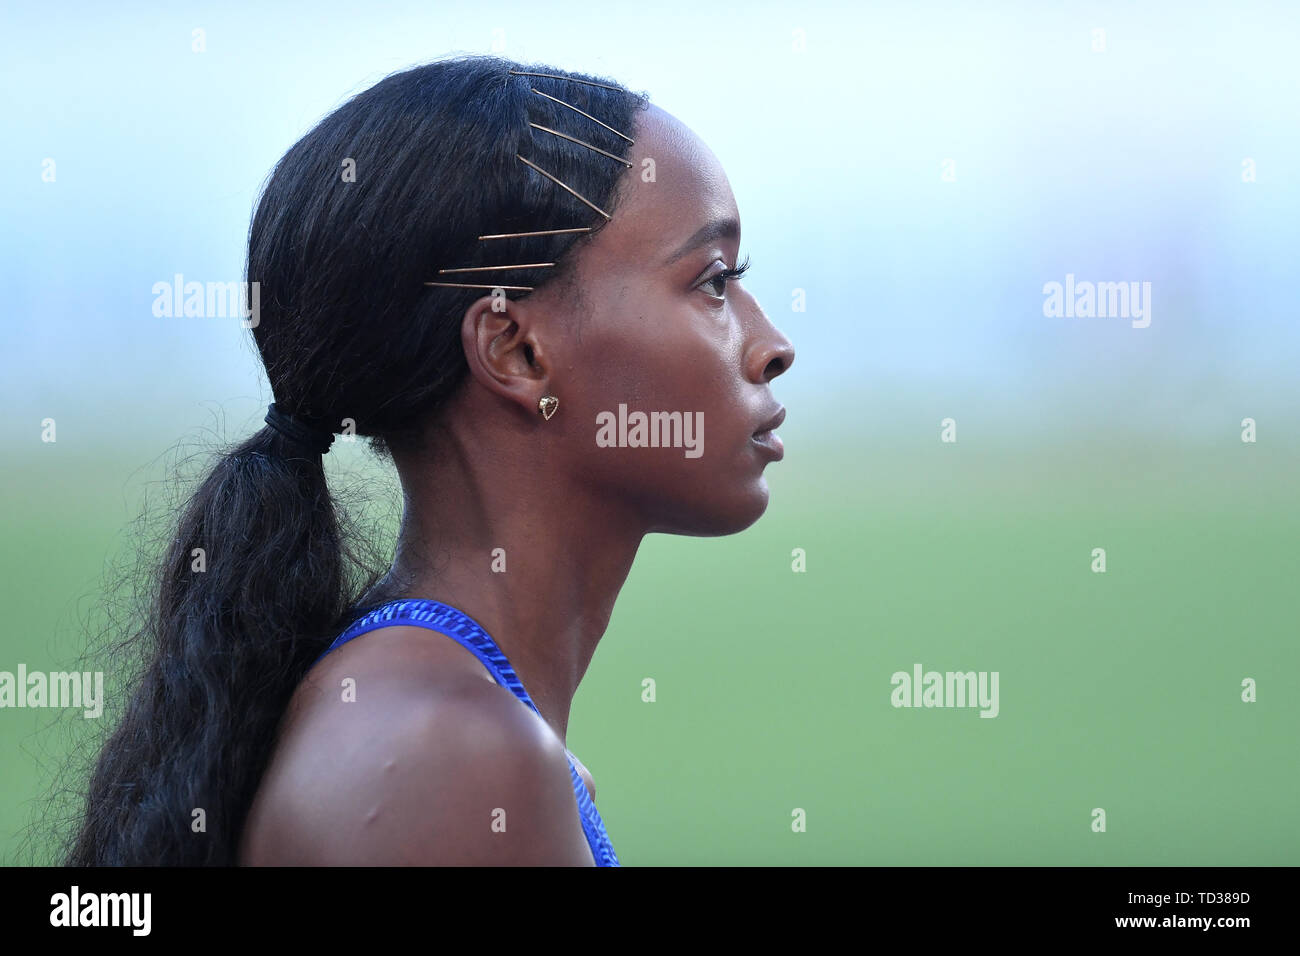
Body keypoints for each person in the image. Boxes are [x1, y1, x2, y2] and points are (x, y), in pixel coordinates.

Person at [65, 53, 794, 866]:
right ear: (516, 351)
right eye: (715, 281)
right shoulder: (450, 758)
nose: (771, 346)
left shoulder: (451, 733)